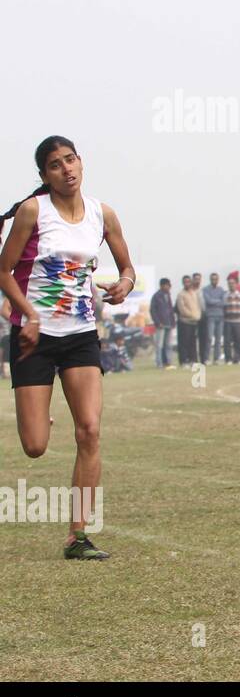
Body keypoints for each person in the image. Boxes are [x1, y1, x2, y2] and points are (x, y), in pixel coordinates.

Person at [0, 136, 137, 559]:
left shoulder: (103, 214)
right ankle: (40, 415)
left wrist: (123, 286)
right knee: (35, 445)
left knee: (91, 430)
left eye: (71, 160)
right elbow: (4, 271)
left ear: (81, 162)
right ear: (45, 175)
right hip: (34, 338)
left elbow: (127, 267)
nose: (67, 169)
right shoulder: (32, 213)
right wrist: (27, 313)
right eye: (56, 165)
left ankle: (78, 535)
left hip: (80, 336)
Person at [150, 278, 177, 368]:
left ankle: (168, 362)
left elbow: (171, 310)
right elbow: (153, 311)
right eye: (167, 285)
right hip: (160, 325)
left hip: (169, 323)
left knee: (168, 345)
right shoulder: (156, 296)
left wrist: (173, 322)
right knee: (159, 345)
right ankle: (159, 363)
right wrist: (158, 322)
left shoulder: (168, 295)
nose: (169, 287)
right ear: (162, 285)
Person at [202, 272, 226, 362]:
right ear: (210, 279)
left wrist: (216, 302)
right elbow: (208, 301)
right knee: (209, 338)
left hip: (220, 316)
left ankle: (216, 358)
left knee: (218, 339)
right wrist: (218, 301)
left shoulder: (221, 289)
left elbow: (224, 302)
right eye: (212, 279)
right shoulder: (205, 289)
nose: (214, 281)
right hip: (210, 316)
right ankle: (207, 358)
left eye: (216, 279)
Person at [222, 272, 240, 363]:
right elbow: (223, 308)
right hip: (228, 321)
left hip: (238, 321)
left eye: (233, 283)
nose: (231, 285)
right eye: (229, 284)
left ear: (236, 284)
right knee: (227, 341)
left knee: (238, 340)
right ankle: (228, 359)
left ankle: (239, 358)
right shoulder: (225, 296)